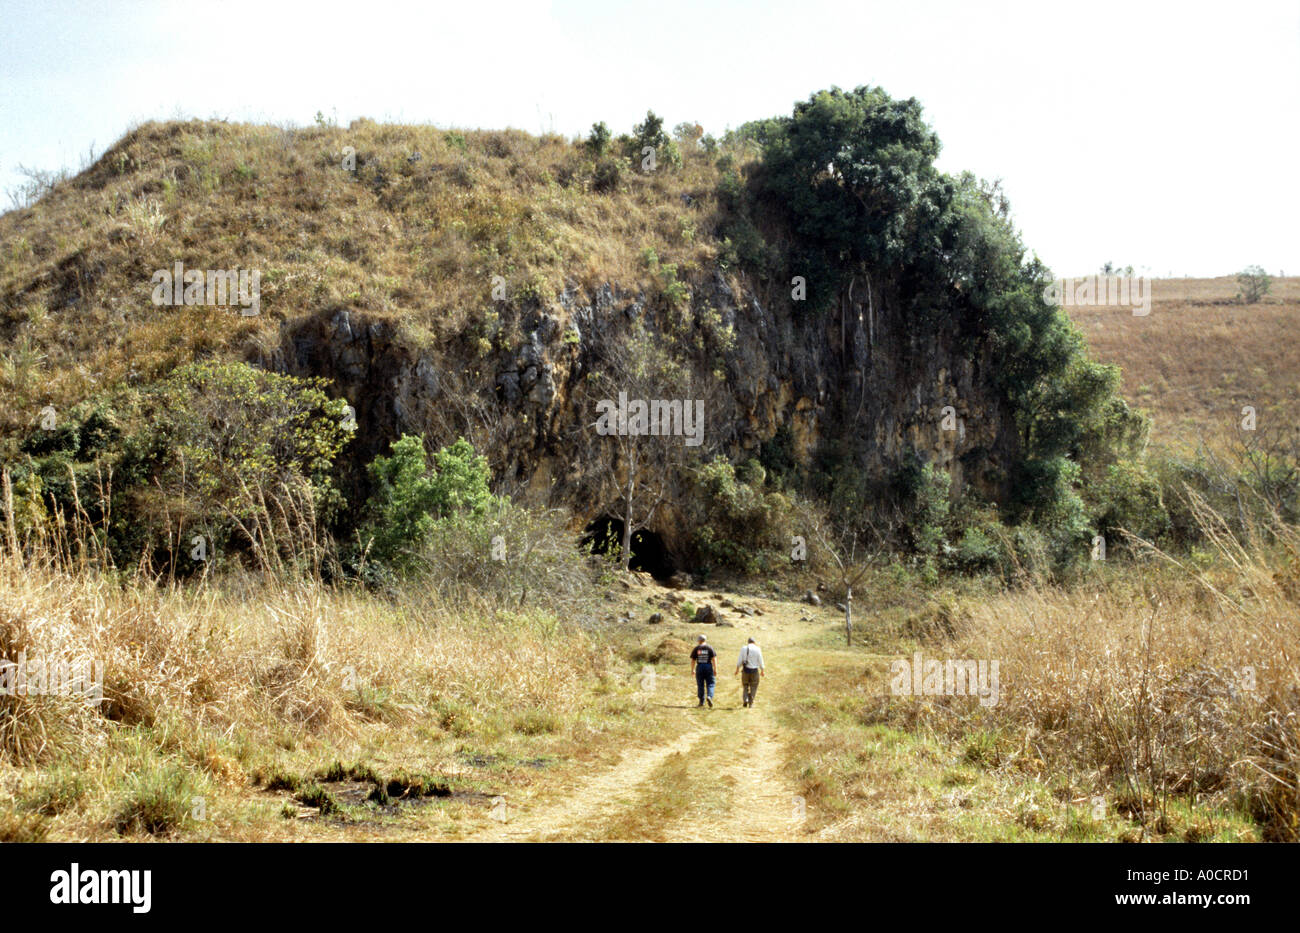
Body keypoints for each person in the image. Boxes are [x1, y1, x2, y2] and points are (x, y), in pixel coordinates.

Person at [735, 637, 765, 707]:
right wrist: (762, 670)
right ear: (754, 642)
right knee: (753, 686)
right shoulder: (758, 649)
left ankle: (745, 699)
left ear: (748, 642)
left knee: (745, 685)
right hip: (754, 671)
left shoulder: (744, 648)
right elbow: (761, 660)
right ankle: (751, 703)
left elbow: (740, 660)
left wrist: (737, 669)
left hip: (745, 670)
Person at [689, 634, 717, 708]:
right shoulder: (709, 648)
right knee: (710, 683)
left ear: (699, 641)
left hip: (700, 667)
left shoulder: (697, 648)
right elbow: (714, 659)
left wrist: (692, 670)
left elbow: (693, 660)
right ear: (705, 640)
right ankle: (709, 696)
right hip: (708, 666)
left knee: (700, 684)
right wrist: (715, 669)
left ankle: (701, 701)